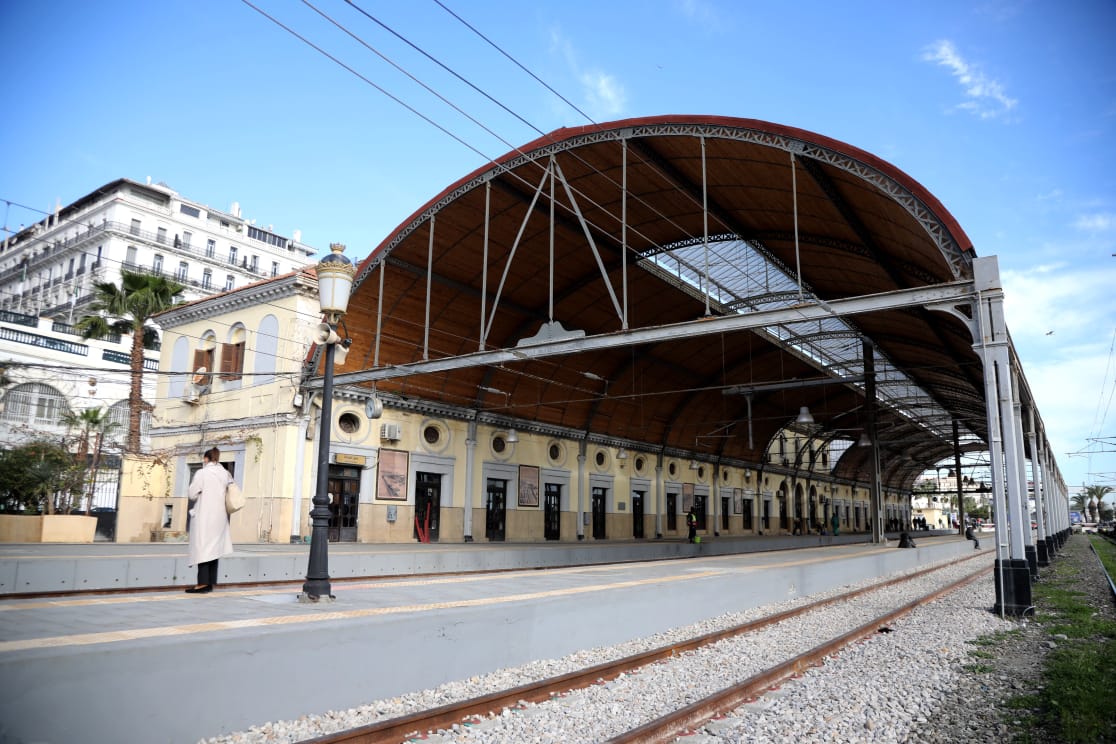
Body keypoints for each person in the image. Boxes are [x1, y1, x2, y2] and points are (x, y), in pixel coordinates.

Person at [186, 447, 234, 593]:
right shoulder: (226, 473)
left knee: (202, 548)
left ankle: (202, 584)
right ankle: (210, 582)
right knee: (214, 548)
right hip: (220, 517)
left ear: (206, 459)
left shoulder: (202, 473)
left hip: (205, 516)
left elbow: (192, 494)